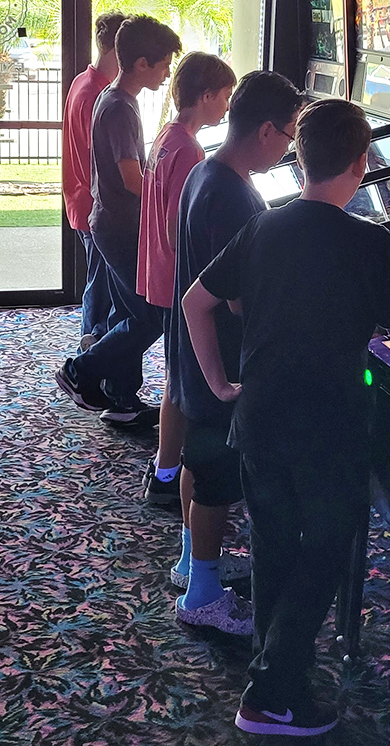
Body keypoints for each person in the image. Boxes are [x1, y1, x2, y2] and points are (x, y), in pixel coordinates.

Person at [181, 99, 390, 735]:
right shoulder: (370, 241)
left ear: (298, 157)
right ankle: (271, 688)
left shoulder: (264, 226)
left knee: (274, 545)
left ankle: (279, 680)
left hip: (260, 415)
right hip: (327, 423)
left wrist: (218, 382)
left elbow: (196, 302)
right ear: (361, 163)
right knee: (328, 545)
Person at [168, 70, 304, 635]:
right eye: (291, 133)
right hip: (220, 358)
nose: (292, 145)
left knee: (199, 463)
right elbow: (241, 299)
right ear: (268, 131)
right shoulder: (235, 197)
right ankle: (201, 592)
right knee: (218, 473)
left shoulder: (206, 171)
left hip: (194, 353)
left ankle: (191, 562)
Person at [55, 15, 182, 425]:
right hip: (120, 226)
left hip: (108, 222)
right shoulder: (121, 108)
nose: (166, 74)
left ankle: (120, 396)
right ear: (141, 64)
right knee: (148, 317)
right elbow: (131, 178)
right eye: (162, 65)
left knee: (125, 313)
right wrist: (167, 203)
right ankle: (82, 370)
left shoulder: (110, 97)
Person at [137, 51, 236, 504]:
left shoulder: (167, 137)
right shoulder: (191, 151)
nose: (229, 106)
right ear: (207, 95)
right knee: (182, 381)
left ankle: (165, 467)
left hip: (160, 271)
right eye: (226, 96)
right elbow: (188, 227)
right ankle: (167, 472)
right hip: (180, 280)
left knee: (175, 377)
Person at [62, 11, 127, 351]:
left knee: (98, 282)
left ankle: (91, 358)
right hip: (94, 203)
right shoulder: (100, 95)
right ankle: (90, 363)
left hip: (81, 199)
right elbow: (103, 159)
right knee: (102, 290)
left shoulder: (82, 83)